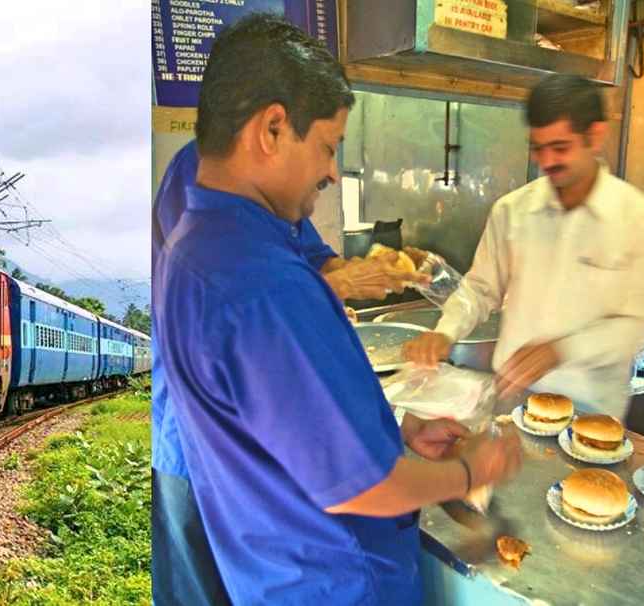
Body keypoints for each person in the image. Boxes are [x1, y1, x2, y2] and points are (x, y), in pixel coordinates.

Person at [154, 14, 522, 605]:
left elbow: (282, 421)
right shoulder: (264, 285)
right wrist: (472, 469)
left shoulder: (200, 243)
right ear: (272, 128)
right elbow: (362, 488)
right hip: (336, 582)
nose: (331, 170)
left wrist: (395, 432)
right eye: (327, 146)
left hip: (272, 574)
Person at [151, 141, 424, 604]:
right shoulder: (202, 168)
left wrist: (364, 269)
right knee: (202, 587)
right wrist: (337, 285)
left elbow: (311, 254)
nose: (331, 171)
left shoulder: (275, 183)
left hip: (263, 430)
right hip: (199, 440)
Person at [403, 74, 644, 419]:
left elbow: (634, 325)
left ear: (595, 136)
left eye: (560, 147)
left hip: (590, 409)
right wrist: (446, 331)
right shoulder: (512, 211)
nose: (547, 161)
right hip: (513, 398)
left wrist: (561, 350)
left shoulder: (639, 220)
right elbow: (481, 289)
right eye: (538, 148)